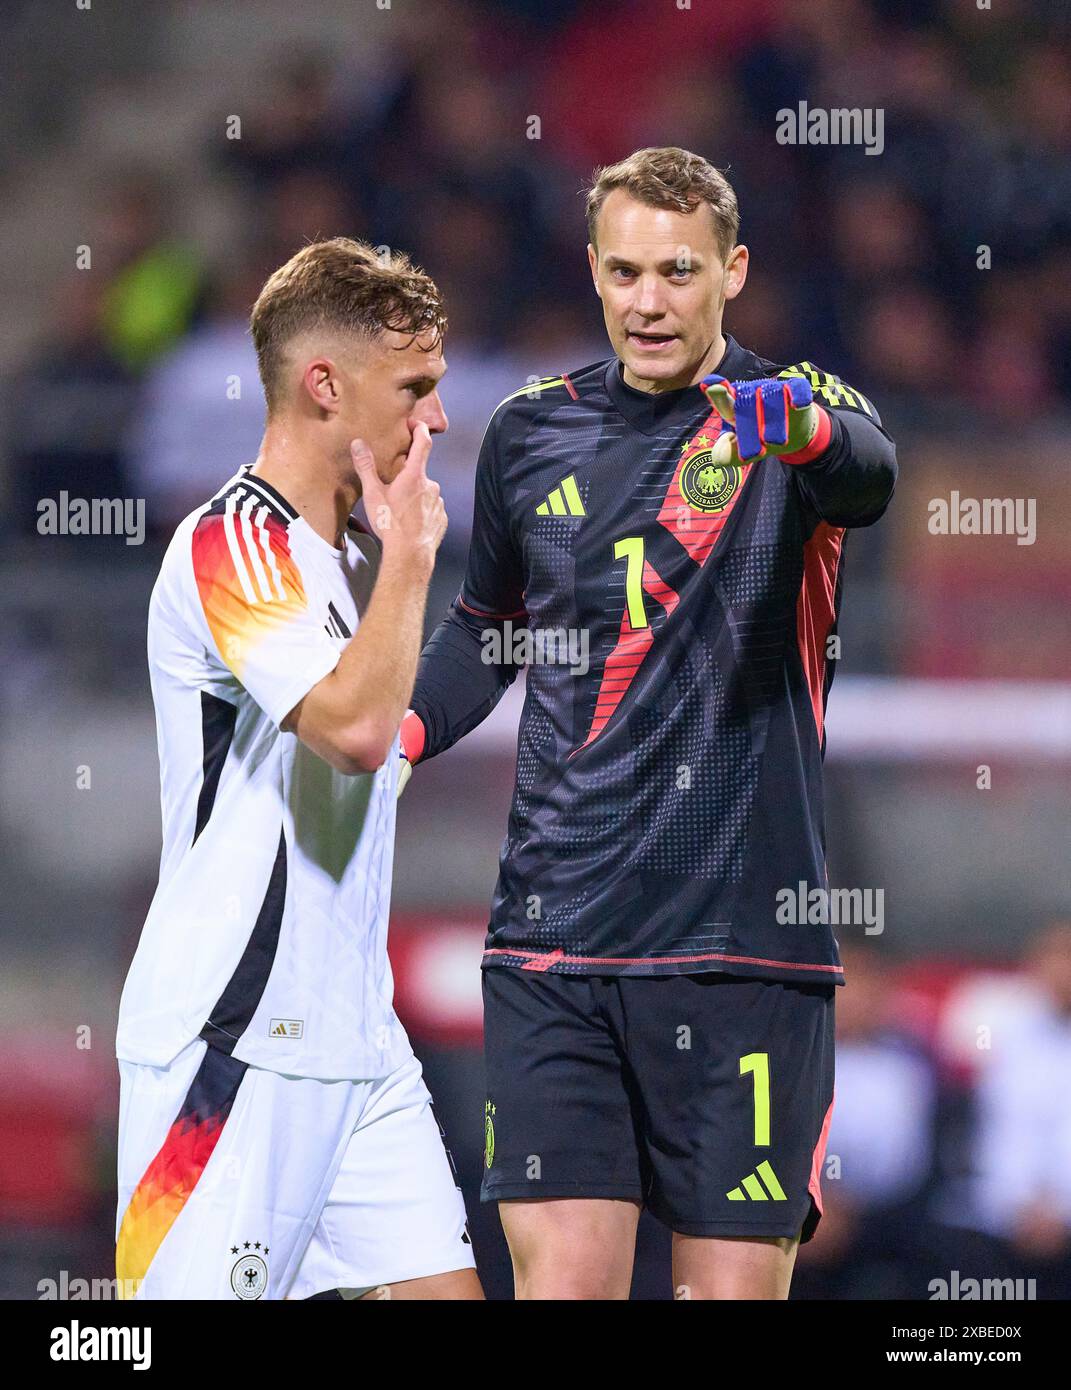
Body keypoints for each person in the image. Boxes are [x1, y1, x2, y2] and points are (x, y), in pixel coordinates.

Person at [401, 147, 897, 1299]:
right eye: (624, 272)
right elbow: (486, 627)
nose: (649, 300)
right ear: (592, 271)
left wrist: (808, 436)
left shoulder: (797, 411)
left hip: (745, 954)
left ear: (733, 270)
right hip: (553, 945)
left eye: (678, 271)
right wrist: (400, 742)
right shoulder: (530, 433)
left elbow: (870, 474)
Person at [114, 237, 482, 1301]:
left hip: (356, 1040)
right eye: (415, 388)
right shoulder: (229, 545)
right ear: (325, 384)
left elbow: (383, 746)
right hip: (233, 1044)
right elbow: (356, 732)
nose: (438, 420)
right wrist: (412, 558)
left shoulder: (339, 566)